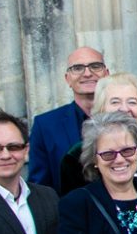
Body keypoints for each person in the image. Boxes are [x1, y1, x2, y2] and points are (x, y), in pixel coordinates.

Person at [59, 73, 137, 193]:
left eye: (132, 102)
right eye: (115, 102)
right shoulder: (76, 156)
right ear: (101, 109)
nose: (125, 109)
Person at [29, 46, 108, 189]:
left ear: (106, 74)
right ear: (67, 79)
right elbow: (39, 186)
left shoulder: (126, 118)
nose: (87, 73)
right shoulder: (45, 125)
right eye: (78, 68)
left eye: (95, 66)